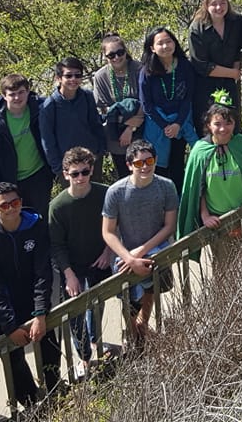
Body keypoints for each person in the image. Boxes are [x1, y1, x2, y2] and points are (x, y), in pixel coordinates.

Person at [0, 182, 60, 409]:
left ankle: (56, 395)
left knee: (50, 351)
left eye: (15, 203)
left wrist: (41, 313)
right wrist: (10, 326)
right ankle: (31, 404)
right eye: (4, 206)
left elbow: (43, 273)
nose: (11, 208)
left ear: (21, 202)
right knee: (15, 362)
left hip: (35, 304)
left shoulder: (37, 227)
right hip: (5, 313)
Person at [101, 140, 179, 347]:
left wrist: (140, 253)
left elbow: (169, 226)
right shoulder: (116, 192)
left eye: (149, 161)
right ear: (129, 165)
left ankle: (141, 327)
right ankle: (134, 333)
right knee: (127, 295)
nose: (144, 166)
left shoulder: (166, 186)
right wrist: (129, 257)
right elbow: (108, 232)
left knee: (151, 288)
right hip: (124, 253)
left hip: (155, 248)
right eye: (138, 163)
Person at [178, 104, 242, 274]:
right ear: (208, 125)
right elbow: (197, 188)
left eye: (228, 123)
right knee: (225, 270)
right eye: (217, 124)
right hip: (219, 222)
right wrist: (205, 215)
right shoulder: (199, 151)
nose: (223, 128)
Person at [48, 147, 111, 378]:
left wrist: (108, 252)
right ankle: (84, 357)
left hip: (99, 259)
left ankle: (96, 342)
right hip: (71, 265)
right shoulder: (57, 206)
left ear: (92, 170)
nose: (81, 178)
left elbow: (115, 225)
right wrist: (69, 274)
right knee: (74, 312)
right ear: (66, 175)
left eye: (85, 172)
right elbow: (56, 245)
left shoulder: (105, 193)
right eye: (75, 174)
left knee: (97, 302)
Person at [0, 74, 54, 219]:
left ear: (28, 91)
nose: (17, 98)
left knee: (41, 218)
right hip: (11, 182)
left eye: (21, 92)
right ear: (3, 96)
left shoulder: (41, 109)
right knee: (17, 220)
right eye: (12, 94)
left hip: (39, 175)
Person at [138, 26, 199, 191]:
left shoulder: (185, 66)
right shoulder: (146, 72)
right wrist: (165, 126)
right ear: (152, 48)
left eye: (168, 41)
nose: (165, 46)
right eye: (160, 43)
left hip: (182, 120)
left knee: (178, 164)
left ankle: (182, 204)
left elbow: (188, 98)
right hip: (158, 125)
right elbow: (146, 104)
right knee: (159, 166)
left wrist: (177, 124)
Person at [189, 0, 242, 131]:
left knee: (231, 123)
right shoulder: (197, 28)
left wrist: (236, 66)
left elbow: (241, 47)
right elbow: (201, 65)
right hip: (205, 85)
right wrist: (233, 73)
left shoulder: (236, 22)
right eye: (214, 4)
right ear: (206, 5)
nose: (218, 7)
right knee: (210, 127)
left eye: (223, 3)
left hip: (229, 84)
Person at [39, 57, 106, 173]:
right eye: (68, 76)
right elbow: (48, 141)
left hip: (92, 160)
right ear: (58, 78)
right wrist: (59, 169)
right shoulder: (49, 106)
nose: (73, 79)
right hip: (69, 168)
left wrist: (100, 150)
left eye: (78, 75)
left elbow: (96, 124)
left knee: (96, 191)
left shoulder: (87, 96)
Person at [92, 33, 143, 180]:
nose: (116, 58)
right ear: (105, 56)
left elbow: (146, 102)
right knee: (124, 176)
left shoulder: (139, 70)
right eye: (111, 55)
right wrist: (125, 122)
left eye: (120, 53)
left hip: (141, 129)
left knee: (142, 170)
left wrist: (130, 128)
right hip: (115, 134)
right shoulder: (100, 76)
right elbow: (102, 107)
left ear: (125, 51)